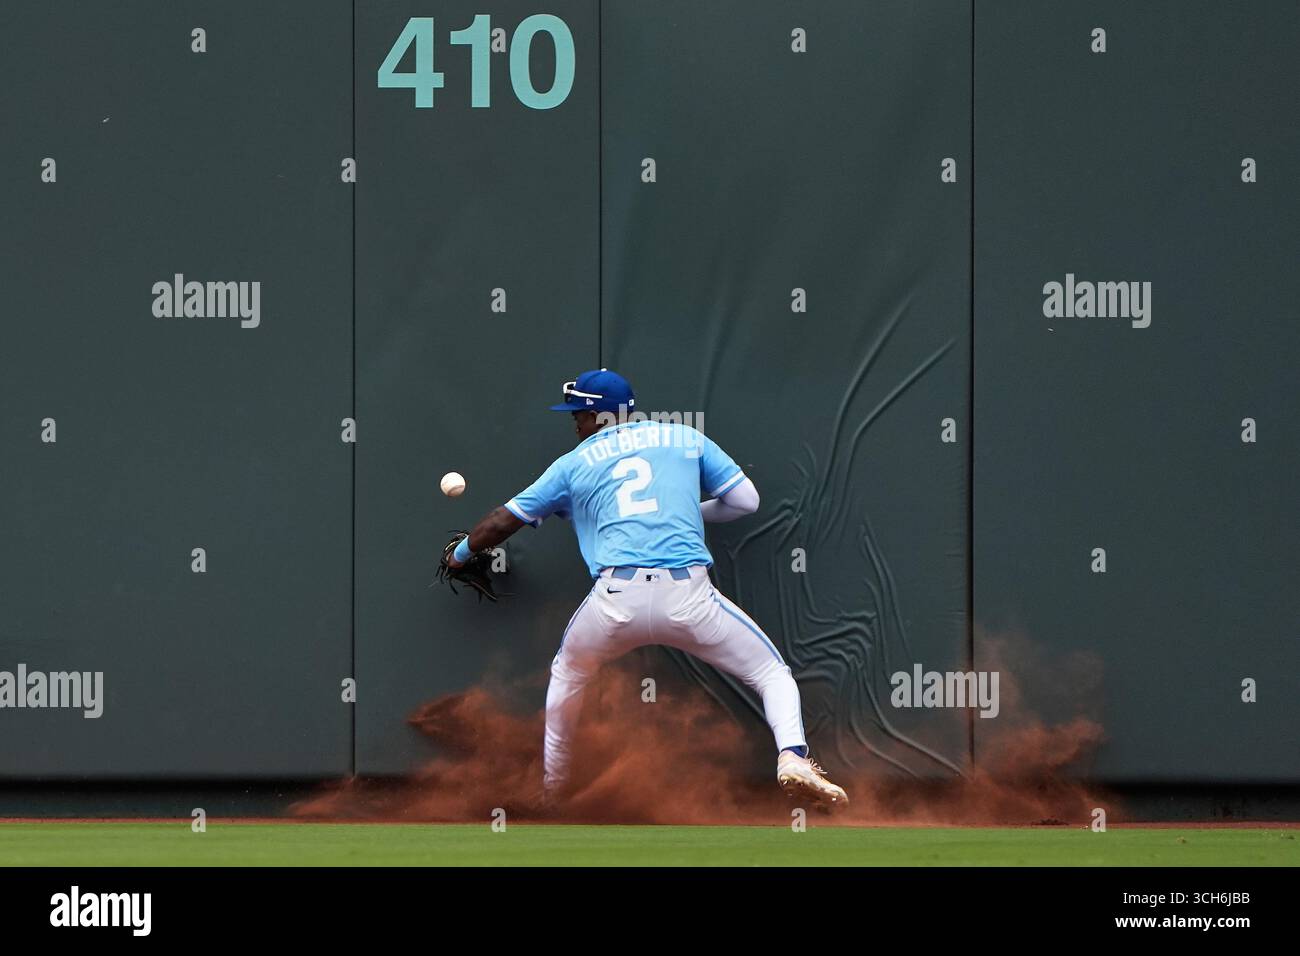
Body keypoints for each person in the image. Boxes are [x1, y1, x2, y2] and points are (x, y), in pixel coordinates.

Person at [447, 369, 848, 808]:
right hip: (689, 599)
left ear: (599, 416)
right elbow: (745, 501)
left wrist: (460, 555)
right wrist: (687, 510)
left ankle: (553, 790)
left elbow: (502, 522)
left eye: (579, 414)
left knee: (568, 674)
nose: (575, 424)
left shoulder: (572, 464)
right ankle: (792, 757)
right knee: (771, 674)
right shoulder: (683, 437)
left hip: (616, 601)